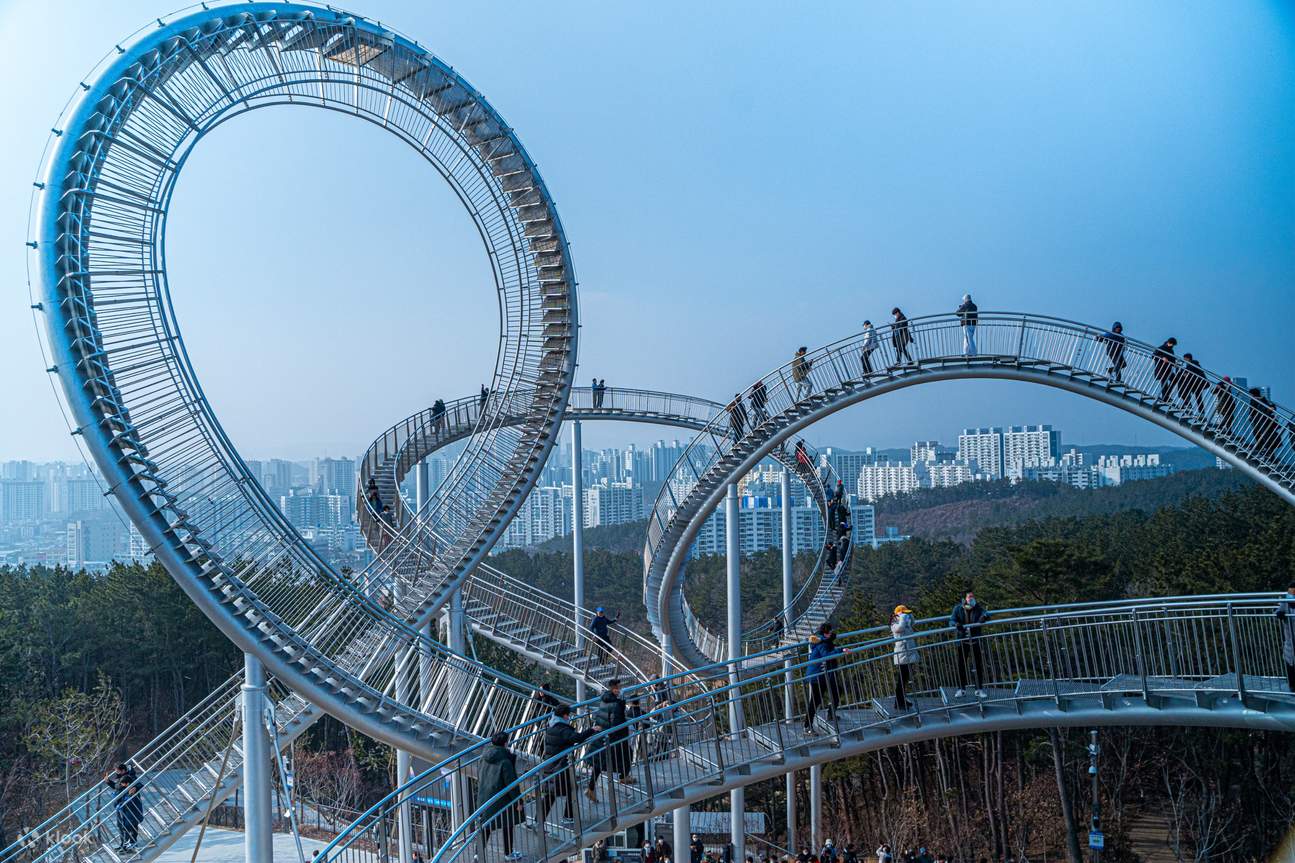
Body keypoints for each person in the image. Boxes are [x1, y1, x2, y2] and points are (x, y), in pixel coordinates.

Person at [536, 704, 593, 826]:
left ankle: (538, 821)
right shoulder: (563, 729)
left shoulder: (551, 726)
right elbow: (577, 738)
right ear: (565, 715)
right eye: (568, 715)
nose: (569, 717)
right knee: (572, 789)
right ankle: (568, 817)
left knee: (552, 793)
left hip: (550, 764)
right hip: (561, 765)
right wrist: (592, 730)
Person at [587, 679, 635, 801]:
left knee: (599, 762)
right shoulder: (616, 704)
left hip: (602, 734)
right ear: (614, 689)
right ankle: (624, 776)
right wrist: (622, 705)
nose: (620, 690)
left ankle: (590, 789)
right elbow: (616, 722)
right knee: (628, 753)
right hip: (613, 737)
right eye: (619, 687)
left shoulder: (604, 700)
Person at [477, 732, 523, 859]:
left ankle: (477, 854)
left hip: (485, 797)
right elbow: (511, 784)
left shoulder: (483, 757)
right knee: (508, 823)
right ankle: (508, 853)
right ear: (505, 743)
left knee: (486, 826)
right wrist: (518, 801)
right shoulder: (505, 761)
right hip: (502, 799)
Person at [803, 623, 849, 732]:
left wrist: (833, 641)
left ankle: (830, 714)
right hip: (818, 676)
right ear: (825, 633)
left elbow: (828, 647)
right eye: (830, 631)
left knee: (836, 691)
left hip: (824, 674)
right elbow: (826, 655)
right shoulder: (821, 643)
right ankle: (807, 725)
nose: (832, 633)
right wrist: (841, 650)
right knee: (815, 701)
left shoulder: (824, 640)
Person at [950, 591, 990, 698]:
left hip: (975, 640)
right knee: (961, 665)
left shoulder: (978, 608)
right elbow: (951, 620)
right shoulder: (958, 608)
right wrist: (956, 624)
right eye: (969, 597)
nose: (971, 599)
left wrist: (984, 617)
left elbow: (986, 613)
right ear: (965, 598)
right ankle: (961, 689)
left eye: (972, 597)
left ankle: (979, 689)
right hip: (962, 640)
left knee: (978, 665)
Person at [891, 604, 919, 711]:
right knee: (901, 680)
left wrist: (910, 616)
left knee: (906, 678)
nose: (906, 616)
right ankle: (898, 702)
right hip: (902, 654)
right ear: (899, 614)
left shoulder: (904, 622)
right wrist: (902, 618)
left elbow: (913, 624)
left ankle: (902, 699)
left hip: (909, 653)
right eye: (904, 613)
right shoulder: (894, 623)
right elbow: (900, 629)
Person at [104, 763, 137, 851]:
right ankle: (123, 844)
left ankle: (130, 844)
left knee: (129, 825)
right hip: (121, 805)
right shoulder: (121, 777)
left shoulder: (129, 777)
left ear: (123, 770)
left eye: (117, 771)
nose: (116, 772)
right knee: (121, 825)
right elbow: (118, 787)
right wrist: (108, 782)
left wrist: (134, 789)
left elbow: (136, 785)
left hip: (127, 805)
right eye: (115, 771)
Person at [1278, 585, 1295, 694]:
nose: (1290, 594)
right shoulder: (1285, 603)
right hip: (1290, 640)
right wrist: (1280, 614)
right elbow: (1277, 611)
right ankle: (1292, 687)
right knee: (1290, 661)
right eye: (1289, 592)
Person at [1152, 337, 1178, 402]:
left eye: (1173, 345)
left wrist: (1175, 363)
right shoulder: (1161, 348)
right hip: (1161, 368)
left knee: (1174, 379)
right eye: (1172, 344)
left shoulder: (1171, 350)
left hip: (1168, 369)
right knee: (1164, 382)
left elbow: (1172, 360)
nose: (1172, 346)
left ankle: (1166, 396)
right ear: (1169, 342)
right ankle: (1165, 397)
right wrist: (1162, 357)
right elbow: (1154, 355)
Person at [120, 783, 143, 851]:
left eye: (122, 783)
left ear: (127, 783)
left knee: (132, 827)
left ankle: (132, 843)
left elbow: (140, 785)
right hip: (128, 813)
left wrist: (133, 790)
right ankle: (127, 844)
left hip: (133, 813)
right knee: (127, 828)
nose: (121, 784)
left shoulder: (133, 790)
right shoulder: (124, 789)